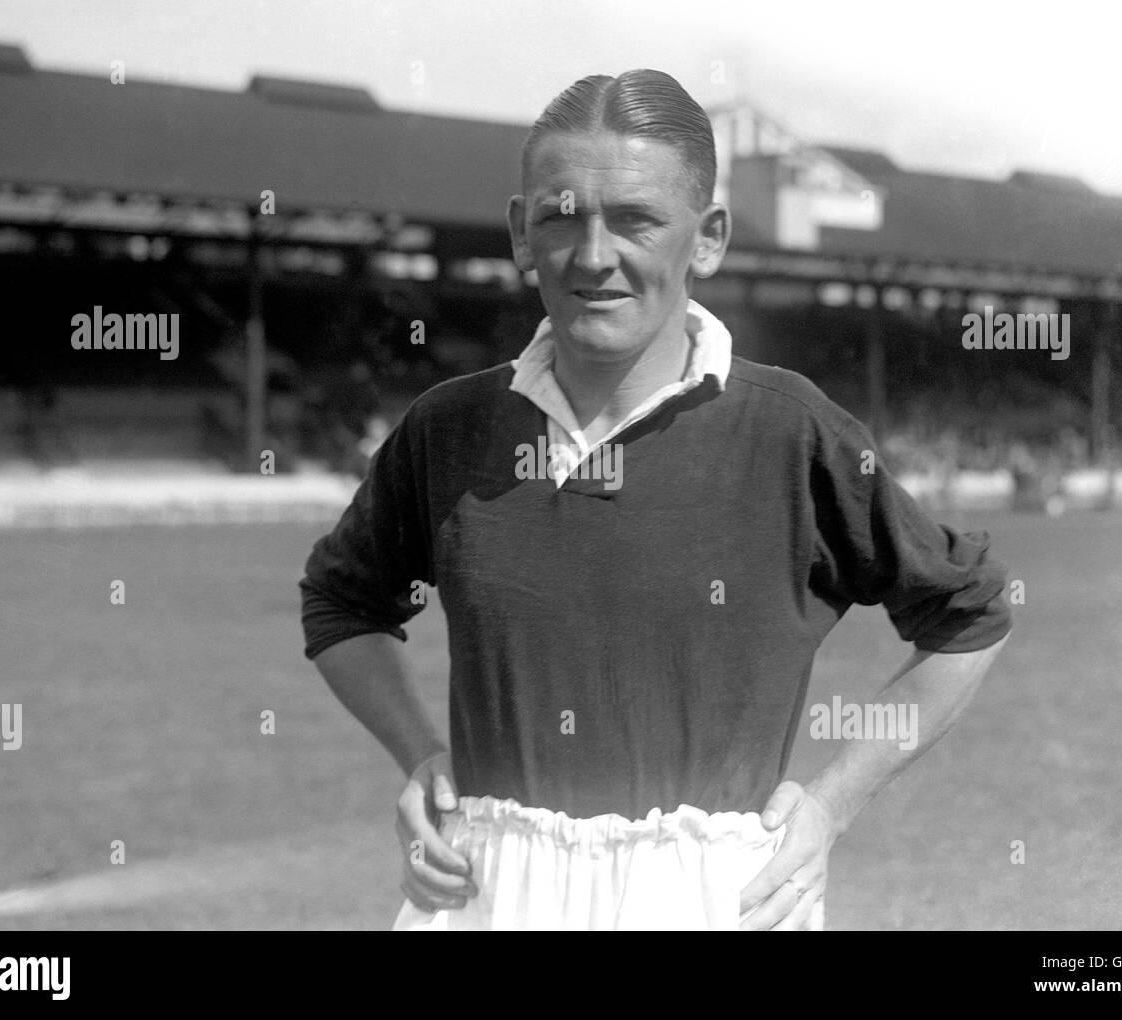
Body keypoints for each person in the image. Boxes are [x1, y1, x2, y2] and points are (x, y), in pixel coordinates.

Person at [300, 69, 1012, 931]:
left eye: (636, 218)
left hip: (712, 900)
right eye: (562, 215)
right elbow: (342, 601)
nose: (594, 255)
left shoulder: (790, 432)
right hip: (483, 896)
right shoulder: (448, 428)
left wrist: (832, 803)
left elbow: (968, 614)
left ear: (706, 238)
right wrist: (422, 760)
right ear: (522, 233)